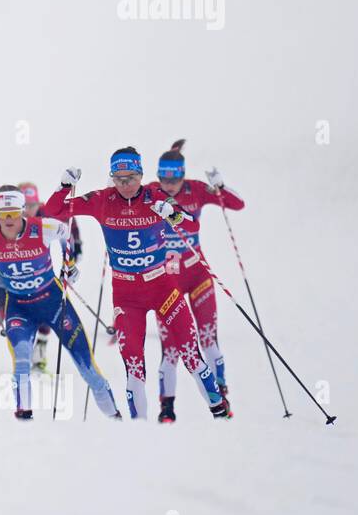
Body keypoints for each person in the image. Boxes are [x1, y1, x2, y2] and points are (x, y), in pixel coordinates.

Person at [41, 148, 230, 420]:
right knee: (134, 366)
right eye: (118, 179)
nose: (124, 185)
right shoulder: (101, 200)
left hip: (163, 288)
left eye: (130, 178)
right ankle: (138, 432)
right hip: (127, 296)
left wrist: (172, 214)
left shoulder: (156, 197)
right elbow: (54, 210)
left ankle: (219, 413)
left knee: (191, 354)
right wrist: (63, 187)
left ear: (141, 175)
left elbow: (192, 228)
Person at [0, 185, 121, 420]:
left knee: (89, 372)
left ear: (23, 210)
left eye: (13, 212)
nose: (8, 219)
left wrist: (69, 264)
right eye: (3, 214)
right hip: (19, 309)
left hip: (54, 304)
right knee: (22, 363)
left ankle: (116, 419)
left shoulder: (44, 228)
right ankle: (25, 422)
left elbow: (65, 231)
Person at [147, 140, 245, 422]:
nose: (168, 185)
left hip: (198, 275)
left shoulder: (197, 190)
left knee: (209, 341)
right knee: (172, 350)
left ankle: (221, 395)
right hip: (167, 282)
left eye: (174, 179)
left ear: (182, 175)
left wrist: (221, 186)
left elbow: (237, 205)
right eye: (164, 179)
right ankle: (167, 407)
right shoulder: (151, 192)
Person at [0, 180, 78, 373]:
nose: (28, 210)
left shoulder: (45, 217)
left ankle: (41, 348)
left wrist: (72, 257)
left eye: (32, 206)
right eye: (25, 206)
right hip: (6, 277)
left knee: (47, 309)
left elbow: (69, 227)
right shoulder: (8, 217)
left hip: (38, 276)